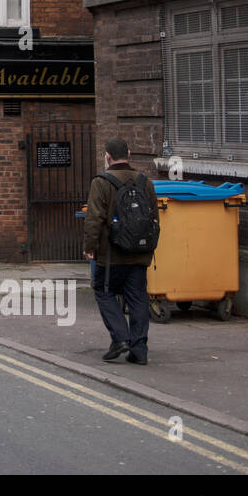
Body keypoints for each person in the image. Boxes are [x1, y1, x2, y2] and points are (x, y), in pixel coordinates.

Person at [83, 137, 159, 365]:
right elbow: (154, 217)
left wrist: (90, 247)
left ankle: (120, 338)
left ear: (107, 157)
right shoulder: (145, 181)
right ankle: (139, 350)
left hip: (112, 255)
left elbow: (94, 218)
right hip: (139, 253)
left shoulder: (101, 182)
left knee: (103, 291)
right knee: (137, 298)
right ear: (129, 153)